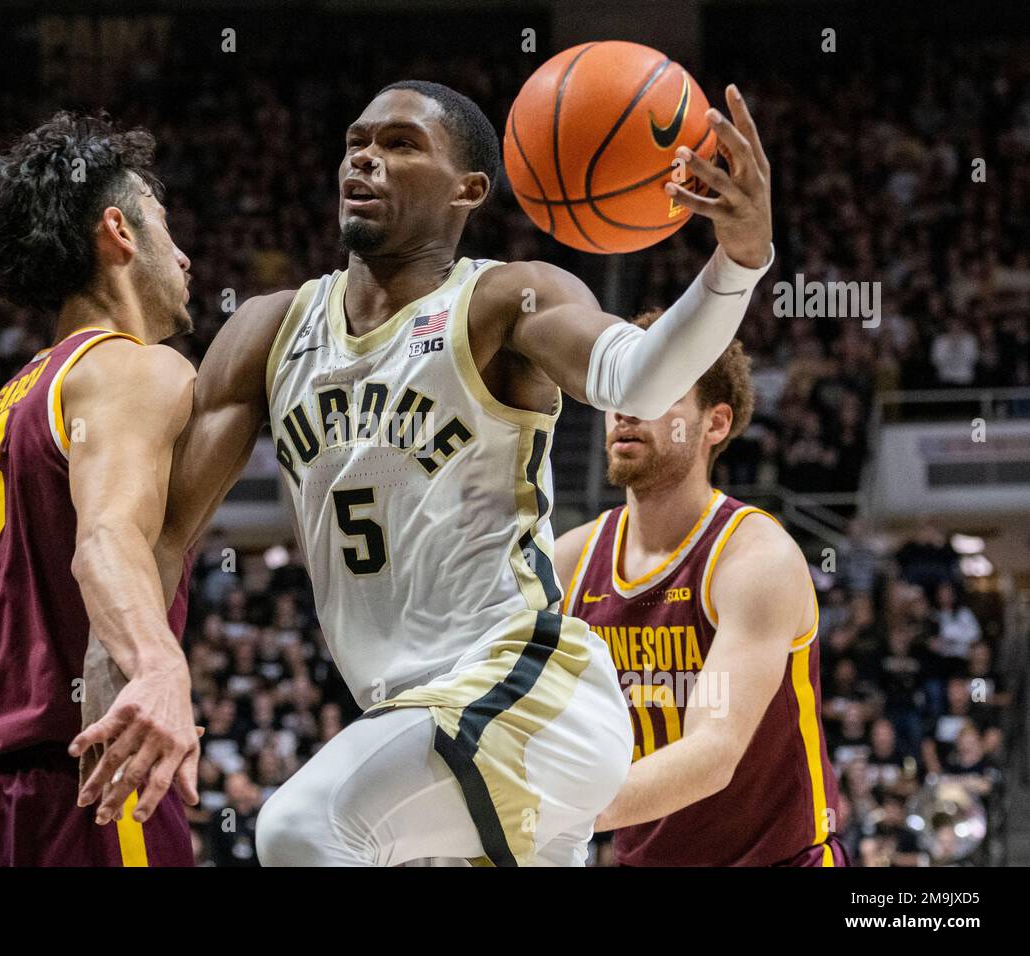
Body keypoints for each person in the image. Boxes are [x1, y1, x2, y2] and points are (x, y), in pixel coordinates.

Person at [136, 79, 772, 867]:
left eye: (401, 144)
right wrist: (135, 672)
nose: (366, 157)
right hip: (421, 720)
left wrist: (738, 262)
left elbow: (636, 377)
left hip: (528, 693)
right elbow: (165, 533)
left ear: (469, 189)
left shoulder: (505, 300)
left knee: (301, 828)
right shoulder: (271, 329)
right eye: (356, 142)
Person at [0, 112, 198, 866]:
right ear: (119, 232)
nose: (185, 257)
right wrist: (158, 670)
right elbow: (104, 543)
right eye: (165, 225)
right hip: (93, 792)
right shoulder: (133, 368)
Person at [554, 310, 844, 866]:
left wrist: (543, 811)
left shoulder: (755, 557)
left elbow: (713, 753)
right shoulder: (569, 562)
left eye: (656, 390)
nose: (627, 409)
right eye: (618, 388)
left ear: (714, 423)